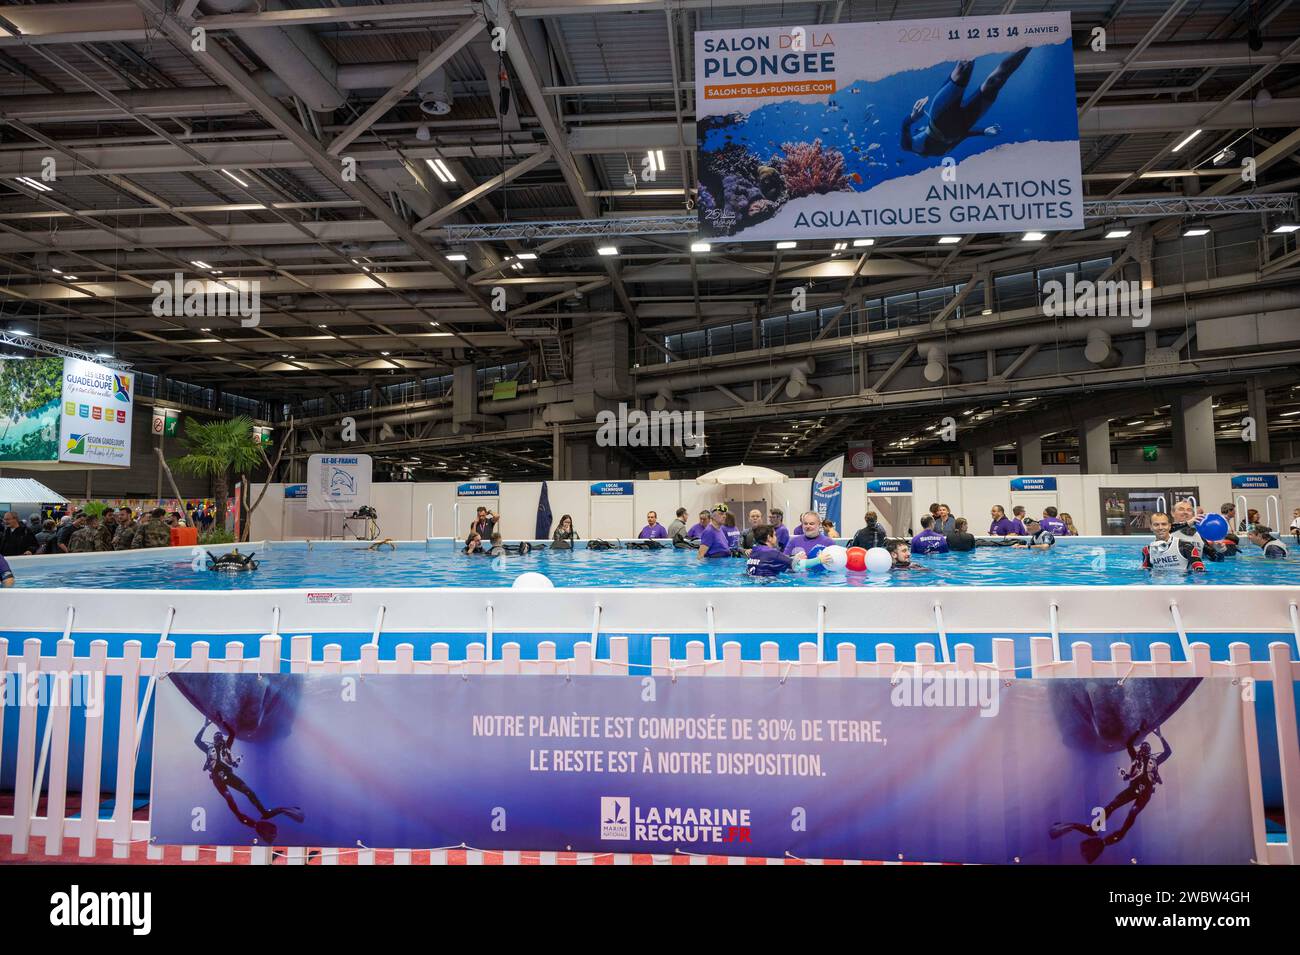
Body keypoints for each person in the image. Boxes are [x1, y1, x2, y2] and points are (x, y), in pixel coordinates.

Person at [1051, 727, 1171, 864]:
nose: (1144, 749)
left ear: (1149, 751)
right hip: (1134, 788)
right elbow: (1129, 744)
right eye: (1143, 747)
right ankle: (1093, 828)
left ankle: (1105, 840)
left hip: (1145, 792)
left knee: (1132, 814)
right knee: (1112, 805)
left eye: (1146, 747)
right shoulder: (1134, 756)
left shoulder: (1155, 761)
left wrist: (1160, 736)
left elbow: (1168, 752)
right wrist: (1138, 731)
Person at [900, 46, 1031, 157]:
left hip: (941, 116)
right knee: (996, 81)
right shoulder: (939, 152)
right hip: (965, 122)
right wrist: (983, 131)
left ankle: (968, 31)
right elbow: (964, 135)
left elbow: (905, 132)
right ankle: (1028, 44)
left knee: (964, 67)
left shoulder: (914, 147)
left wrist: (912, 118)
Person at [194, 719, 303, 844]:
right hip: (217, 778)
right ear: (213, 740)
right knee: (231, 801)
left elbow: (232, 734)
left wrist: (223, 722)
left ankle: (264, 812)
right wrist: (204, 726)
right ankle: (254, 824)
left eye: (220, 737)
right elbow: (197, 741)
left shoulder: (227, 746)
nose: (219, 739)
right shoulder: (208, 748)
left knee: (247, 791)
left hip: (228, 775)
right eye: (216, 737)